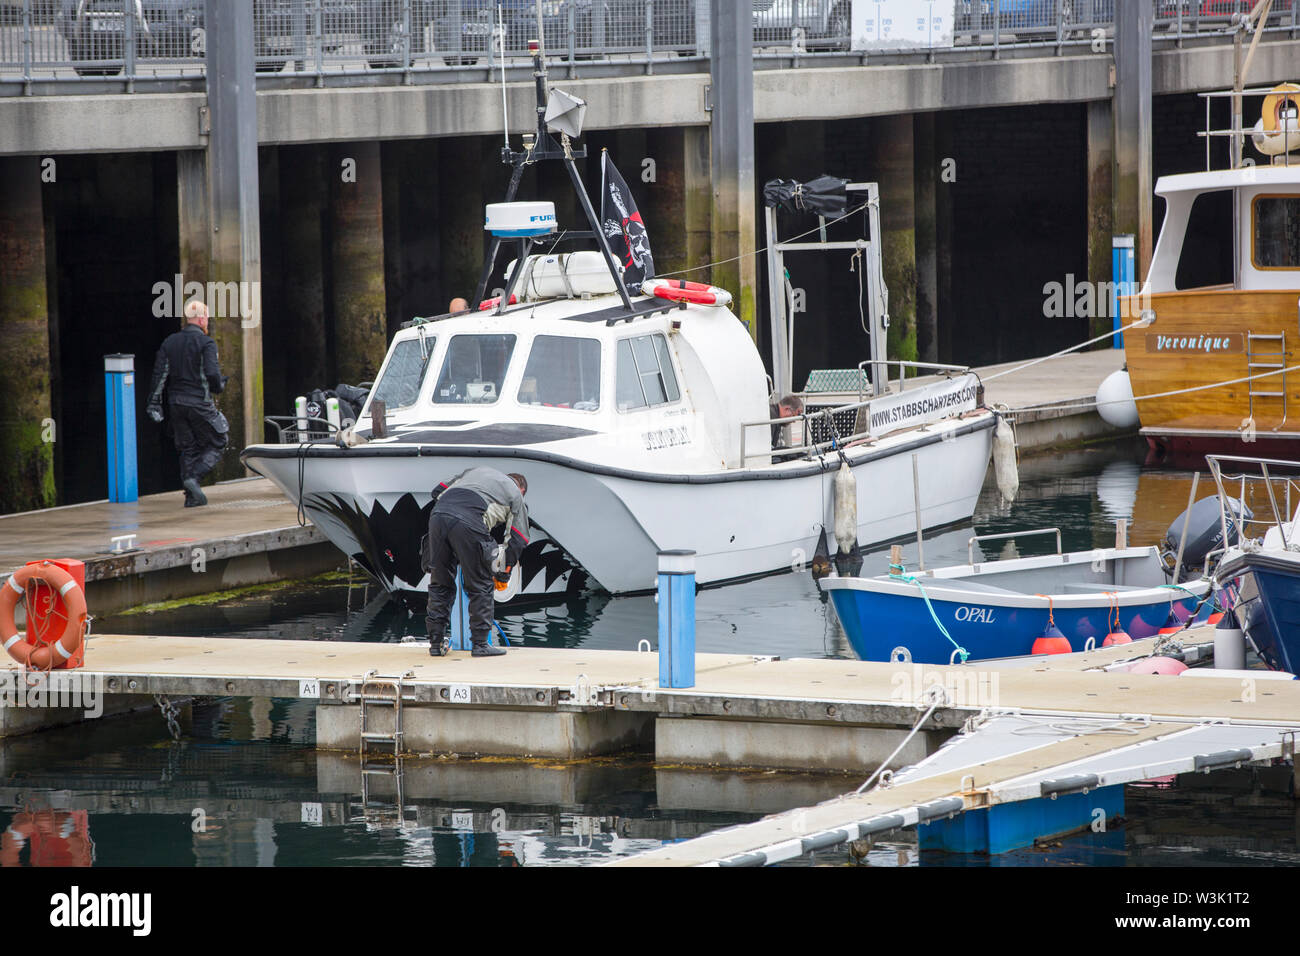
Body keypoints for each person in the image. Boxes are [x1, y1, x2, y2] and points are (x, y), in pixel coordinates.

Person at [421, 467, 529, 658]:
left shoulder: (476, 471)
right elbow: (518, 538)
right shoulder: (515, 495)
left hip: (438, 515)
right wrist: (503, 572)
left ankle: (436, 644)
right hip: (469, 520)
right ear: (521, 490)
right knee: (481, 584)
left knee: (440, 584)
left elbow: (437, 491)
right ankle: (480, 645)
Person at [146, 300, 229, 507]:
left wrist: (154, 403)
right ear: (202, 319)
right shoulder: (206, 343)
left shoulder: (169, 342)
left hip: (176, 404)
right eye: (207, 318)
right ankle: (194, 479)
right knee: (219, 440)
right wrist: (219, 386)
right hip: (199, 402)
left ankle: (191, 498)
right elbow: (211, 373)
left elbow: (160, 374)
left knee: (187, 448)